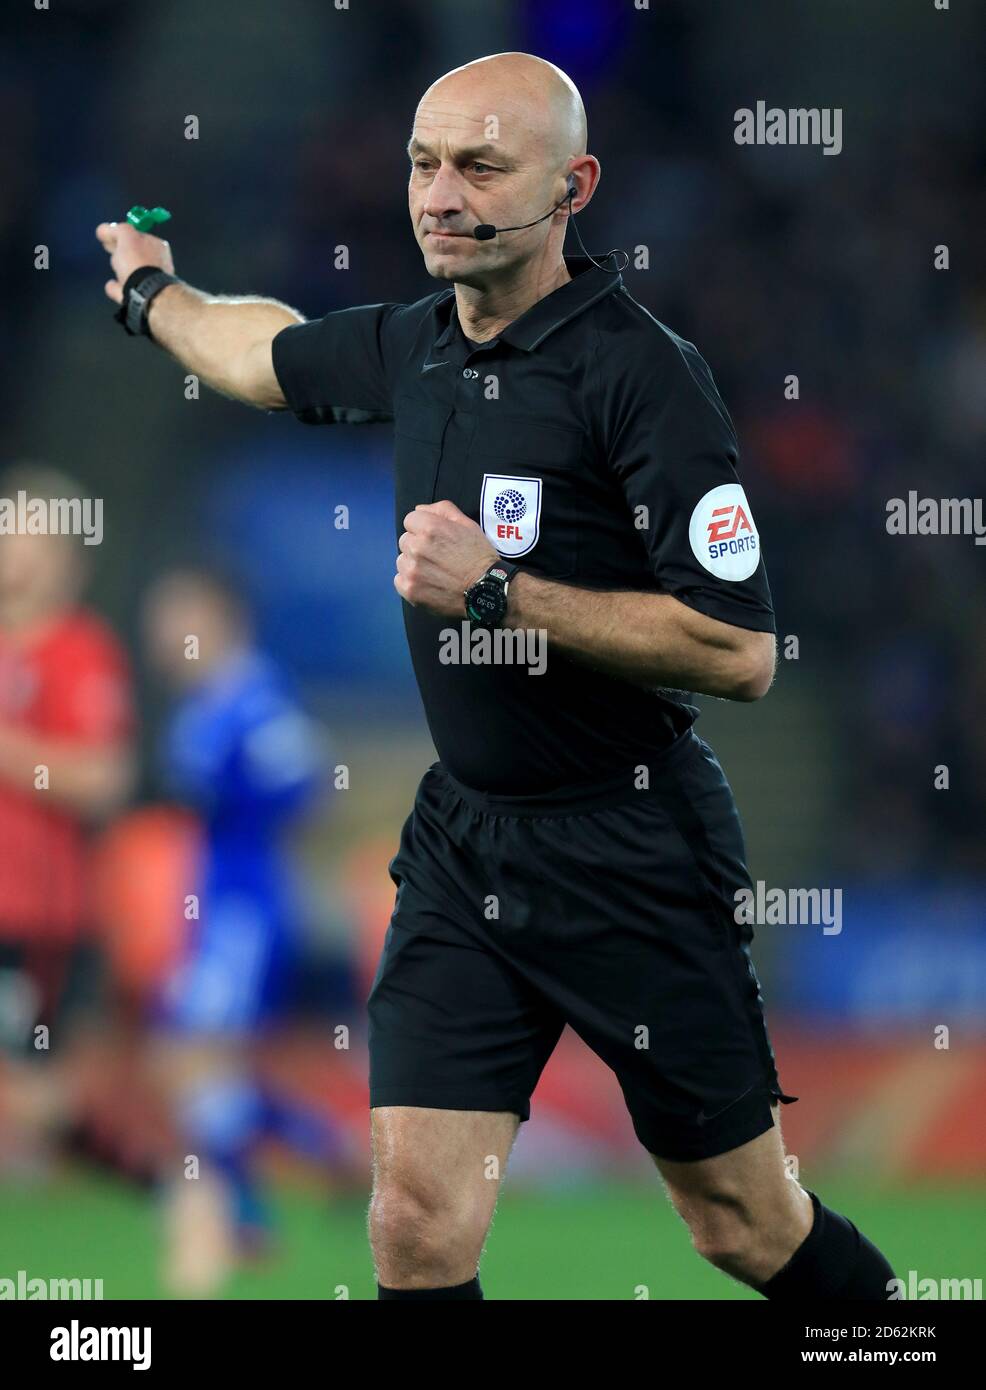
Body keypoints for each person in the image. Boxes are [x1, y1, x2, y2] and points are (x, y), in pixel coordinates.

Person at [96, 51, 895, 1301]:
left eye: (479, 165)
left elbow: (737, 650)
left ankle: (892, 1327)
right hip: (468, 844)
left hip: (629, 843)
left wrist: (498, 590)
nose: (439, 194)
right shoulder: (414, 342)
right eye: (423, 163)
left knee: (740, 1224)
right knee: (414, 1226)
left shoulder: (642, 376)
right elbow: (264, 354)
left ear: (573, 185)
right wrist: (154, 296)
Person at [141, 567, 347, 1294]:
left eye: (174, 617)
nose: (161, 635)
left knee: (191, 1059)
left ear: (216, 617)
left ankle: (253, 1200)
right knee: (199, 1067)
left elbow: (303, 786)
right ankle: (313, 1153)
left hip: (244, 915)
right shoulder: (201, 705)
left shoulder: (254, 695)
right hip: (214, 909)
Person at [0, 463, 135, 1166]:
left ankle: (155, 1180)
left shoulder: (79, 651)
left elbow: (106, 778)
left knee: (26, 1089)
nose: (13, 556)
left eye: (28, 540)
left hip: (31, 912)